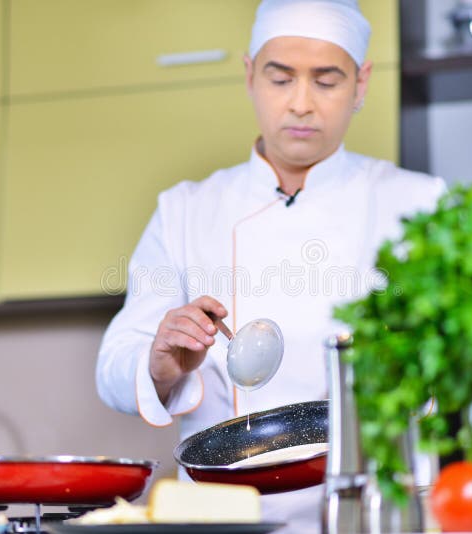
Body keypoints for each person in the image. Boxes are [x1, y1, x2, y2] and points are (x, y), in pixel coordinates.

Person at [96, 0, 445, 530]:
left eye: (326, 81)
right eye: (280, 79)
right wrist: (160, 363)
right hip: (223, 520)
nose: (301, 104)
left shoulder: (420, 204)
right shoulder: (186, 209)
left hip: (375, 516)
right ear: (249, 76)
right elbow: (113, 369)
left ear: (361, 84)